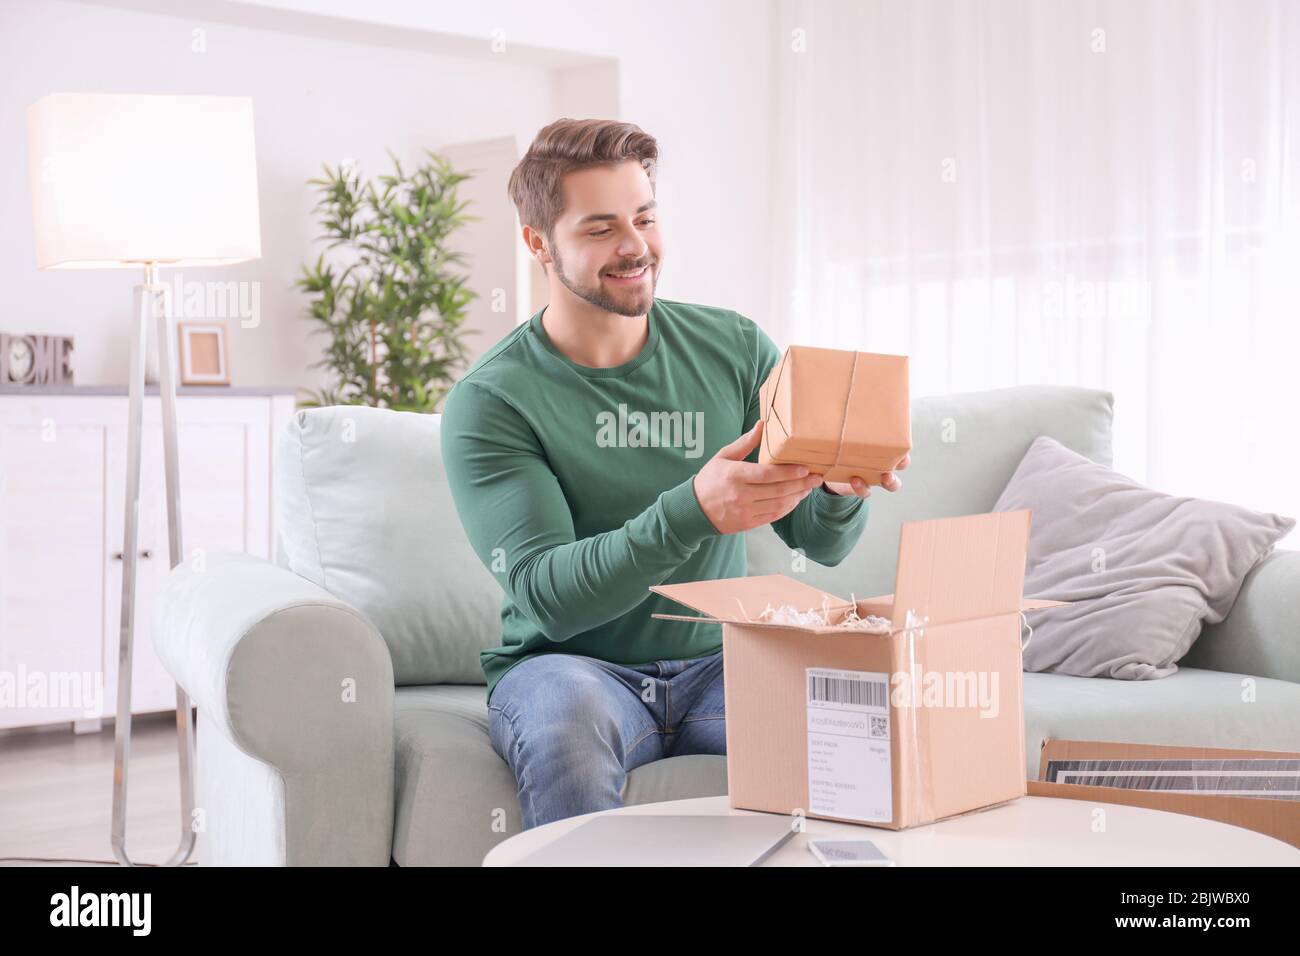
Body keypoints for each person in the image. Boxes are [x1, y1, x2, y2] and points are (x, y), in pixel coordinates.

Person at [440, 118, 909, 830]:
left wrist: (843, 486)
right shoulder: (494, 400)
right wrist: (693, 509)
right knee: (564, 730)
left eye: (645, 218)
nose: (635, 246)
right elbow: (549, 597)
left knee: (850, 724)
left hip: (724, 657)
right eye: (600, 229)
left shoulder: (735, 348)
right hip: (569, 667)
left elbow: (820, 541)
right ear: (539, 243)